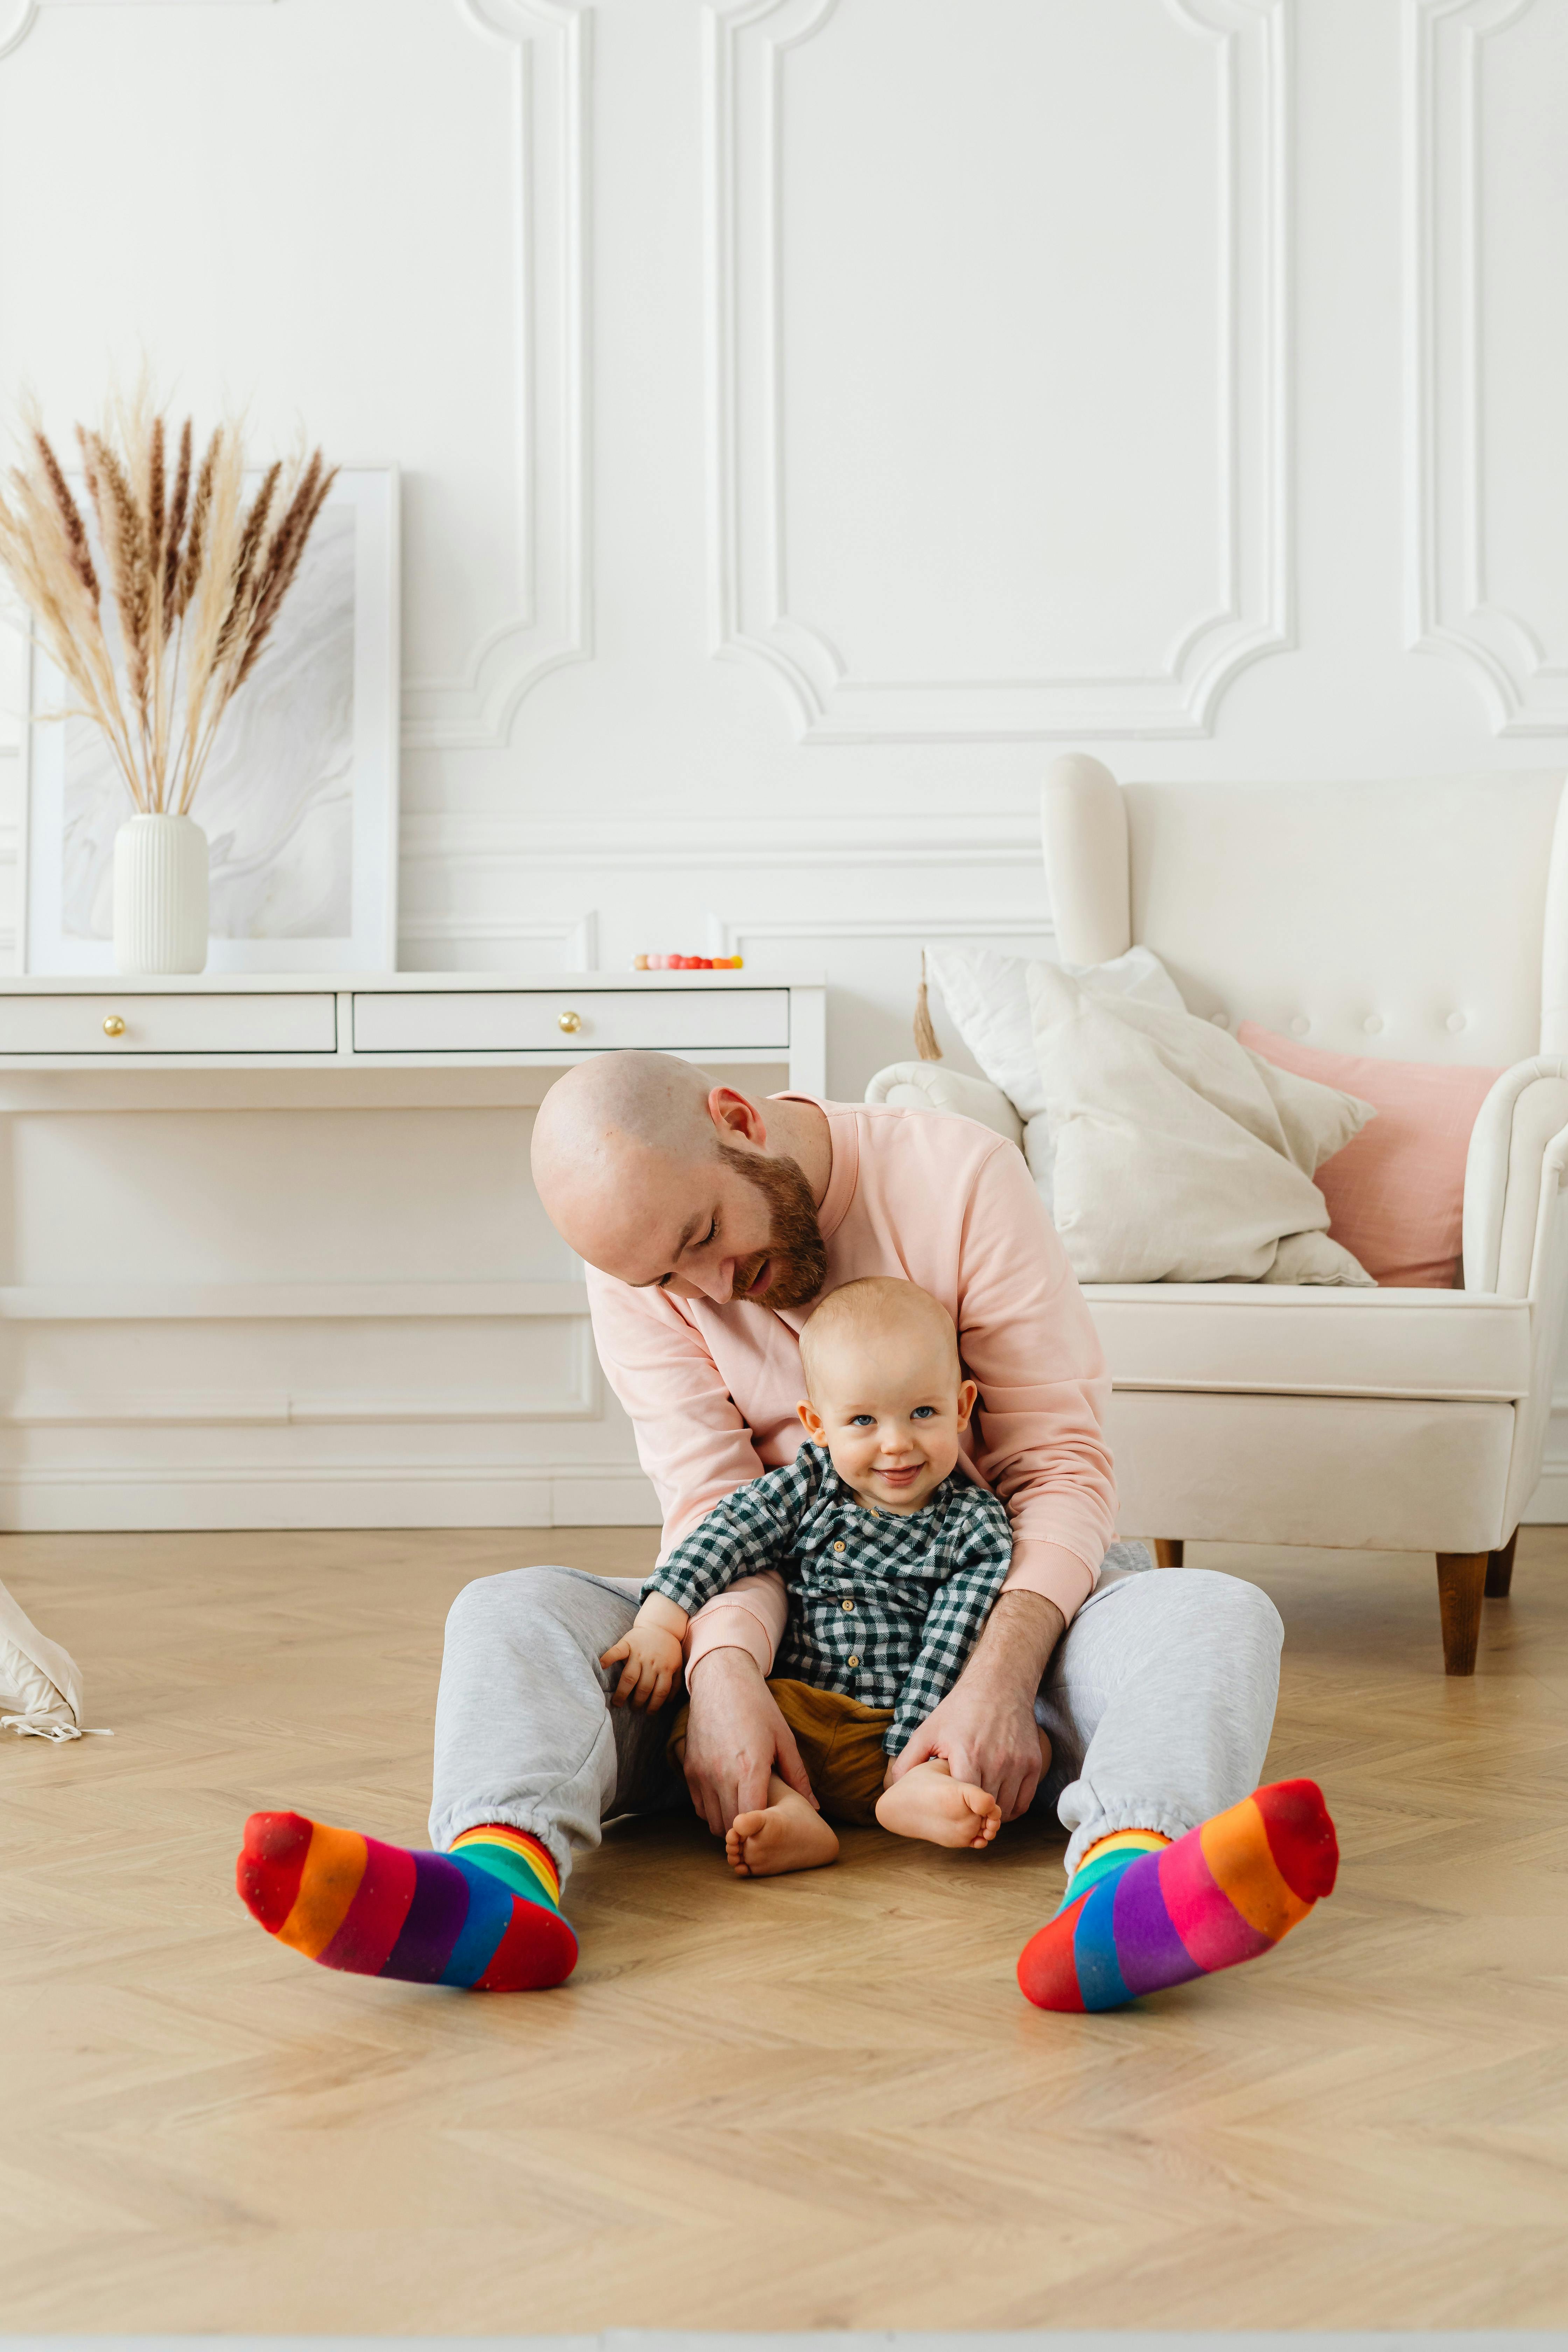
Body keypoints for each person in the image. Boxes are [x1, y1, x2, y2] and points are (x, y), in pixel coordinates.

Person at [235, 1051, 1336, 2006]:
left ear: (739, 1120)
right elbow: (716, 1507)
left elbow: (1055, 1467)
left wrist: (999, 1681)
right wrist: (721, 1678)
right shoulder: (644, 1269)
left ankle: (1124, 1896)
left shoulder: (959, 1175)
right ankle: (497, 1885)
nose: (714, 1292)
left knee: (1216, 1612)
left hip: (991, 1625)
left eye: (707, 1236)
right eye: (667, 1279)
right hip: (770, 1640)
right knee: (510, 1609)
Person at [603, 1275, 1048, 1876]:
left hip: (901, 1725)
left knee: (1022, 1741)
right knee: (698, 1717)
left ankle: (915, 1795)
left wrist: (907, 1757)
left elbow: (952, 1641)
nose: (897, 1444)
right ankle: (789, 1812)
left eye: (923, 1412)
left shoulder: (974, 1525)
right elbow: (728, 1533)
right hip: (795, 1721)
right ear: (818, 1424)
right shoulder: (810, 1485)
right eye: (863, 1420)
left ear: (962, 1407)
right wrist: (662, 1618)